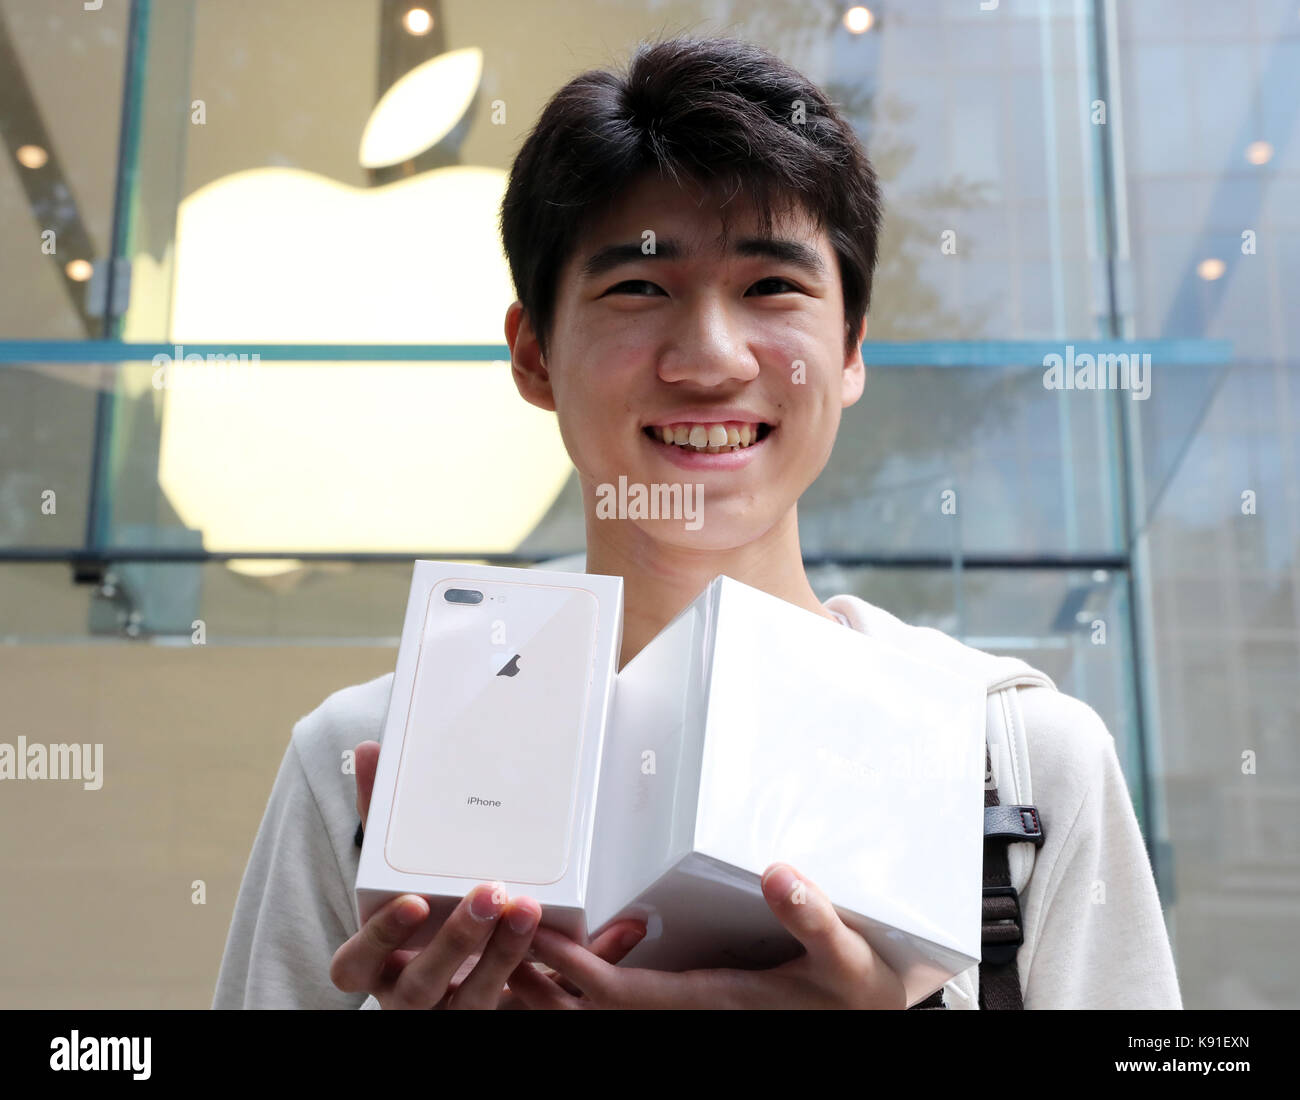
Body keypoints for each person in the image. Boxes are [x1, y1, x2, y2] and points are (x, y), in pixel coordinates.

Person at [212, 34, 1181, 1010]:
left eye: (771, 286)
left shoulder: (1017, 760)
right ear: (534, 353)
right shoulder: (367, 758)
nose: (709, 359)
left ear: (848, 347)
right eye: (638, 286)